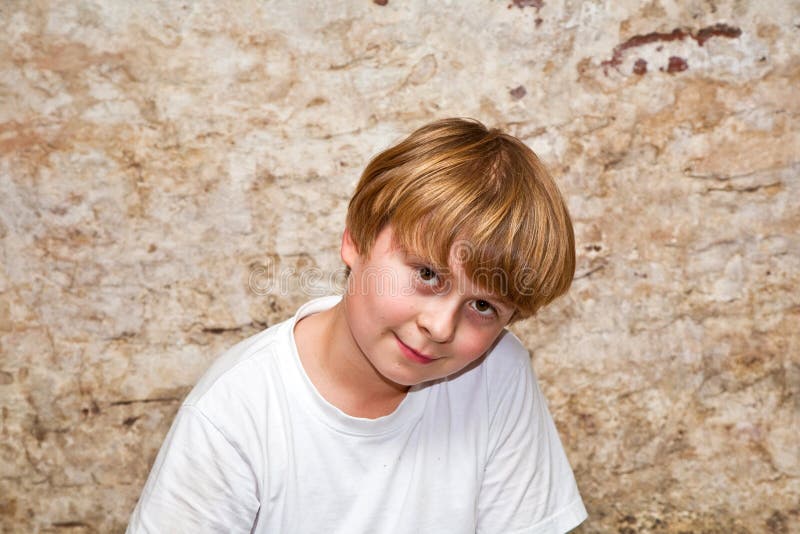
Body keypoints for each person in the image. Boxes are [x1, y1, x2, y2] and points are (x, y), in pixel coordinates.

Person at [127, 118, 587, 533]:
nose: (440, 327)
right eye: (427, 275)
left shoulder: (496, 374)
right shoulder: (235, 411)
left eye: (484, 305)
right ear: (356, 237)